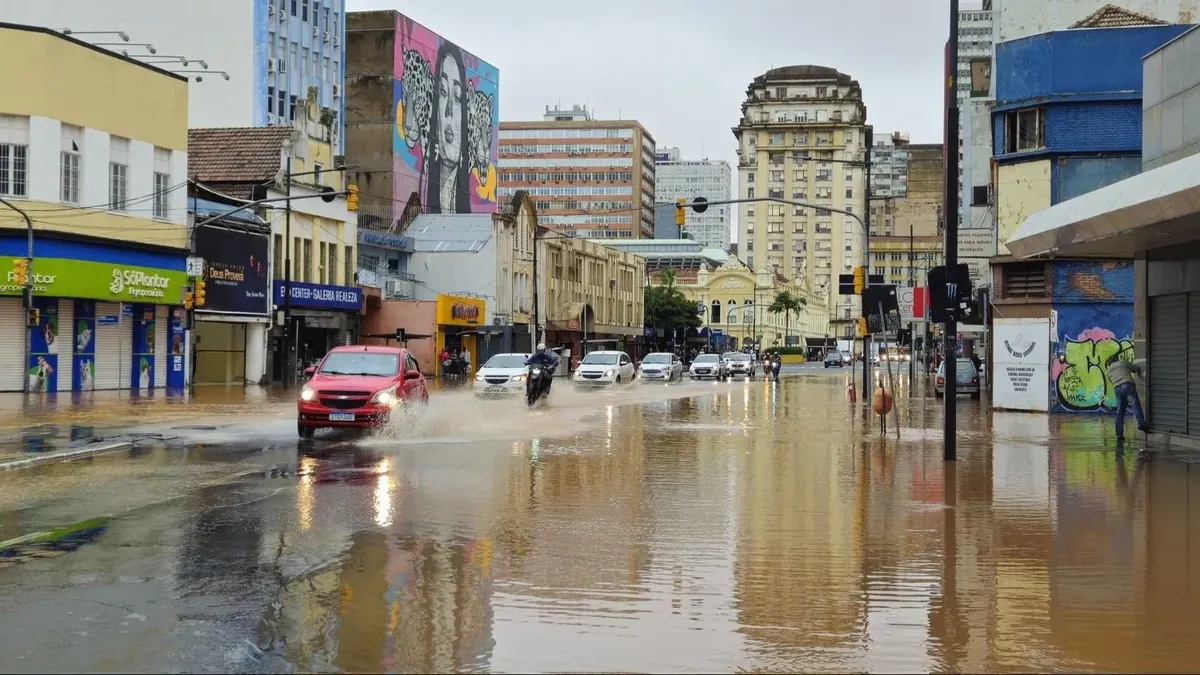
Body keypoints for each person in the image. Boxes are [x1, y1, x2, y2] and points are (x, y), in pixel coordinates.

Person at [1106, 350, 1148, 443]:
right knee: (1135, 404)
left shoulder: (1108, 371)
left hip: (1117, 389)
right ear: (1116, 359)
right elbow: (1135, 368)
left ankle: (1119, 435)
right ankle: (1141, 424)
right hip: (1127, 385)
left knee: (1120, 412)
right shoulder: (1121, 363)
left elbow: (1111, 381)